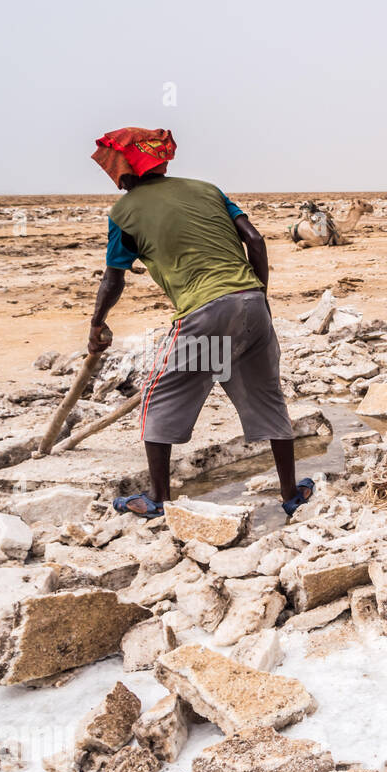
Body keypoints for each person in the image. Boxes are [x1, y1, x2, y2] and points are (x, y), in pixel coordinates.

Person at [87, 127, 309, 519]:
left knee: (161, 396)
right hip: (251, 302)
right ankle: (291, 494)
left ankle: (157, 499)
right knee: (267, 395)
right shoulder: (208, 189)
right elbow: (255, 242)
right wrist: (260, 297)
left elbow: (113, 278)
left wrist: (97, 325)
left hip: (203, 311)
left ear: (122, 168)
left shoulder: (123, 213)